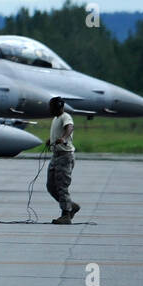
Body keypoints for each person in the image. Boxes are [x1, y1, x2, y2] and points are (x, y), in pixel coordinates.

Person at [45, 96, 81, 224]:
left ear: (59, 107)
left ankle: (66, 215)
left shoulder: (66, 117)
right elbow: (58, 132)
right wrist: (51, 139)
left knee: (61, 186)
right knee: (51, 186)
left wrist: (65, 138)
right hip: (56, 156)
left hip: (65, 156)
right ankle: (71, 206)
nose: (50, 110)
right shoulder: (56, 119)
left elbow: (69, 127)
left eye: (52, 107)